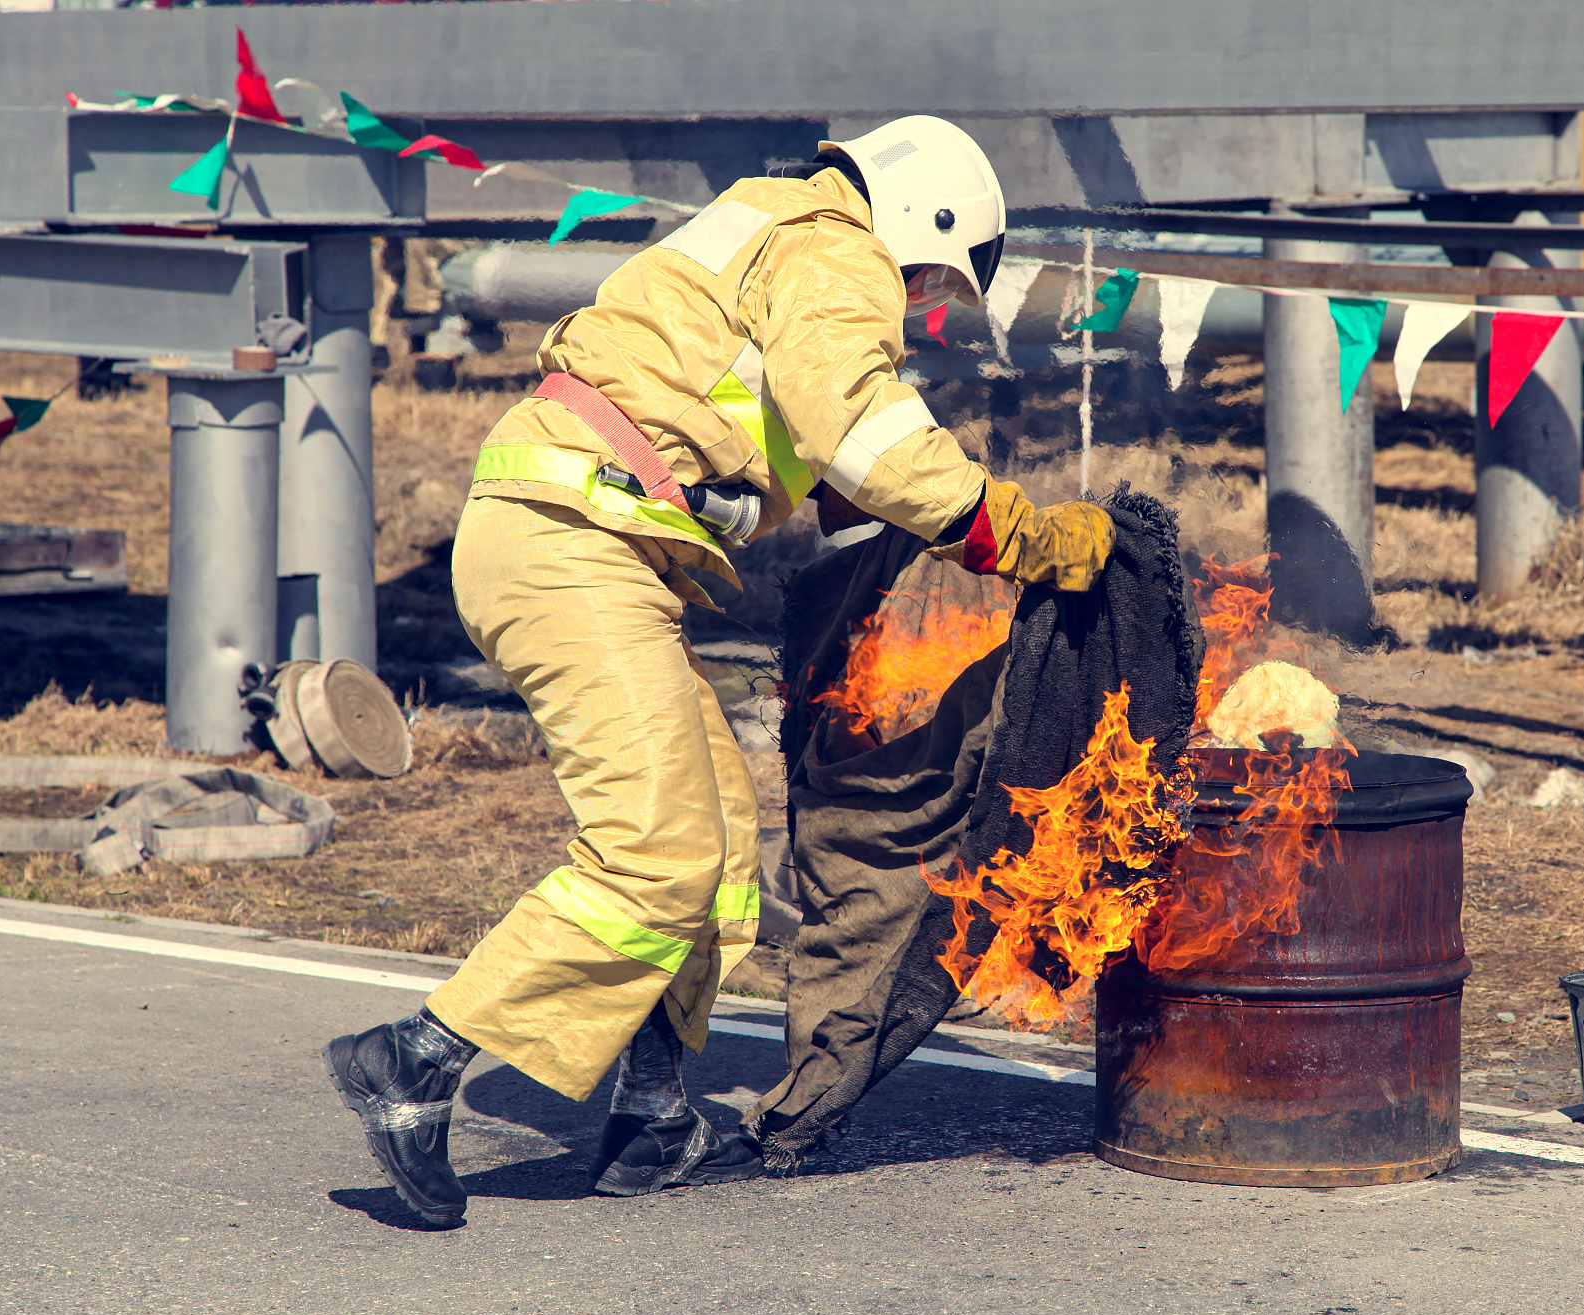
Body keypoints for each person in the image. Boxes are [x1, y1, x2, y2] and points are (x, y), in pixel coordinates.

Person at [323, 116, 1116, 1229]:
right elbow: (865, 432)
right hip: (569, 539)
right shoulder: (834, 246)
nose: (922, 299)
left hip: (586, 535)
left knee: (715, 845)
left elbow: (812, 453)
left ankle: (650, 1115)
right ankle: (415, 1058)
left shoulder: (775, 234)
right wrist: (1019, 535)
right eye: (932, 271)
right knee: (653, 851)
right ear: (919, 215)